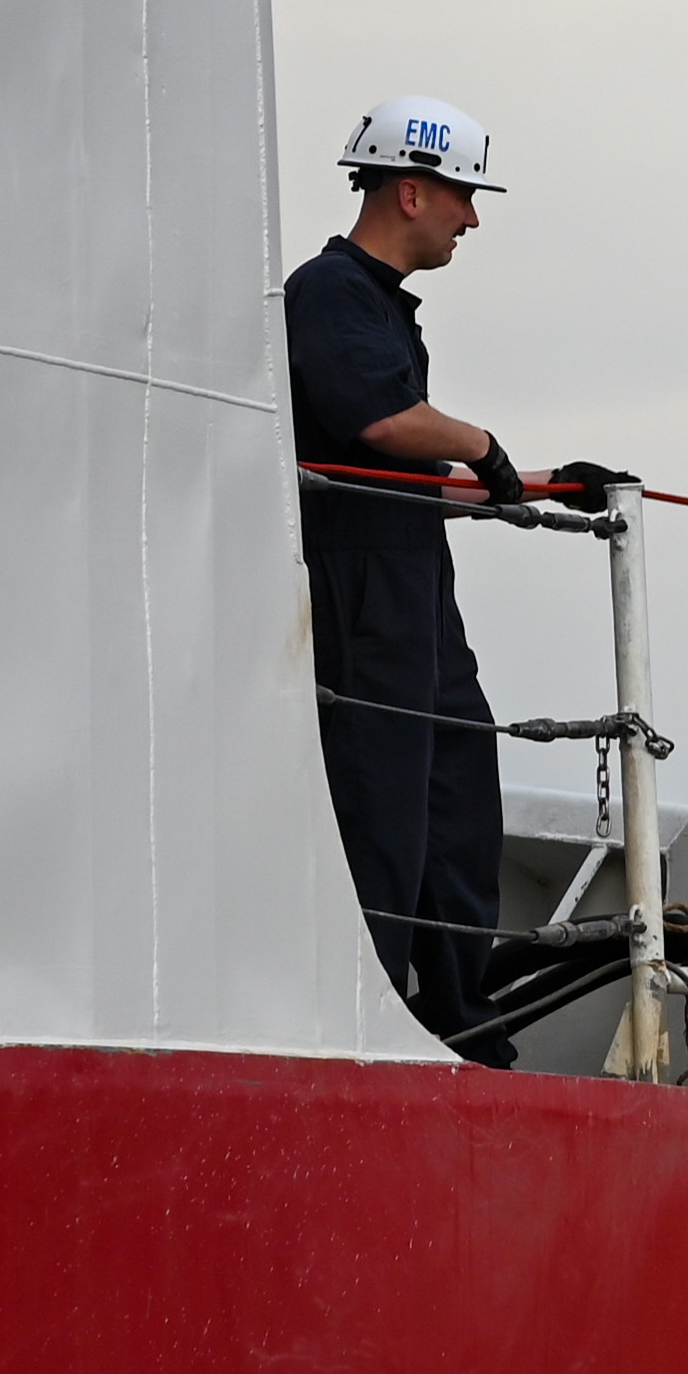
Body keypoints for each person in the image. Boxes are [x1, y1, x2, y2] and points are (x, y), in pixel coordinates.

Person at [286, 95, 624, 1065]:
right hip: (363, 590)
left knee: (455, 782)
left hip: (412, 585)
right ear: (409, 191)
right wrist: (483, 445)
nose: (471, 218)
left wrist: (552, 485)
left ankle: (461, 1014)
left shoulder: (375, 307)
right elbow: (380, 423)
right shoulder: (330, 293)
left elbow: (410, 466)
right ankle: (376, 1012)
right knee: (381, 798)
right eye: (462, 198)